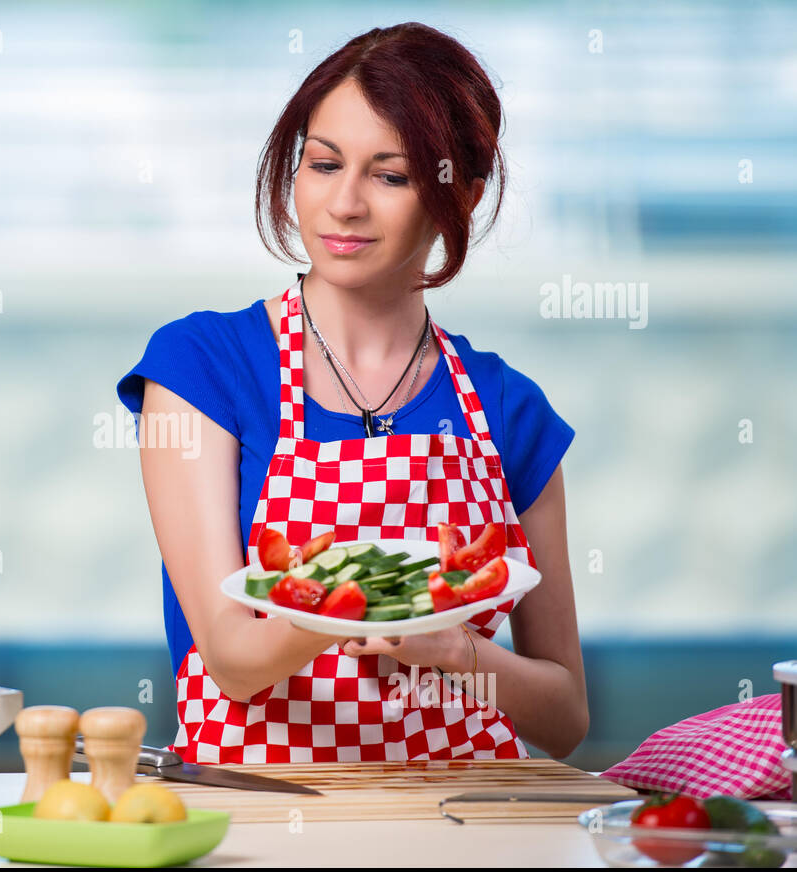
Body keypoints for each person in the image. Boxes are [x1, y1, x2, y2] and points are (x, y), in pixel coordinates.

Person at [116, 23, 587, 764]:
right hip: (261, 814)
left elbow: (563, 714)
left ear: (458, 194)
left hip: (466, 818)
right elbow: (234, 660)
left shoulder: (508, 406)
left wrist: (458, 654)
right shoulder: (202, 367)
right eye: (324, 163)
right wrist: (364, 601)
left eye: (390, 175)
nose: (344, 204)